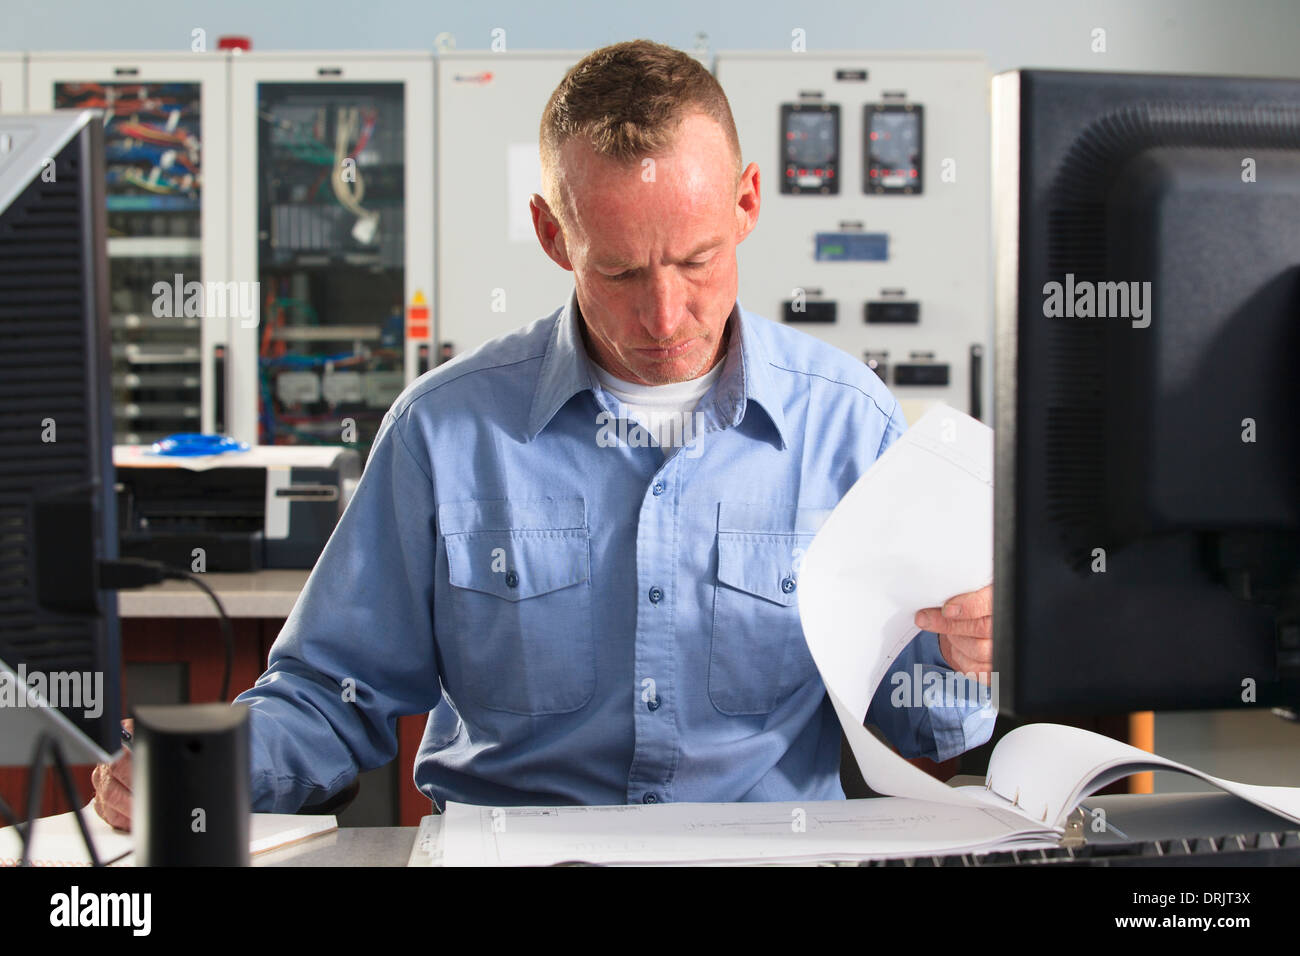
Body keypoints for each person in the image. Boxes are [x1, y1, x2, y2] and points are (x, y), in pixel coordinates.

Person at [92, 39, 994, 828]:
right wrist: (206, 767)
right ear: (551, 234)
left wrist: (969, 656)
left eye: (697, 259)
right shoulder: (444, 431)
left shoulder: (849, 423)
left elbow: (922, 724)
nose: (666, 313)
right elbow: (333, 692)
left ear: (749, 204)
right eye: (621, 270)